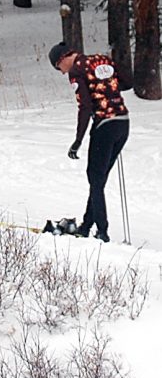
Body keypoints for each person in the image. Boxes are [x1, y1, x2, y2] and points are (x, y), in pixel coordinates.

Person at [48, 42, 130, 242]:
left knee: (95, 177)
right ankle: (86, 226)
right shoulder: (102, 59)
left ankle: (102, 232)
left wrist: (78, 141)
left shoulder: (76, 71)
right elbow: (127, 82)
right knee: (98, 179)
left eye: (59, 68)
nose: (61, 73)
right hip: (123, 123)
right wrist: (108, 90)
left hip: (104, 126)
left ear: (62, 59)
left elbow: (84, 107)